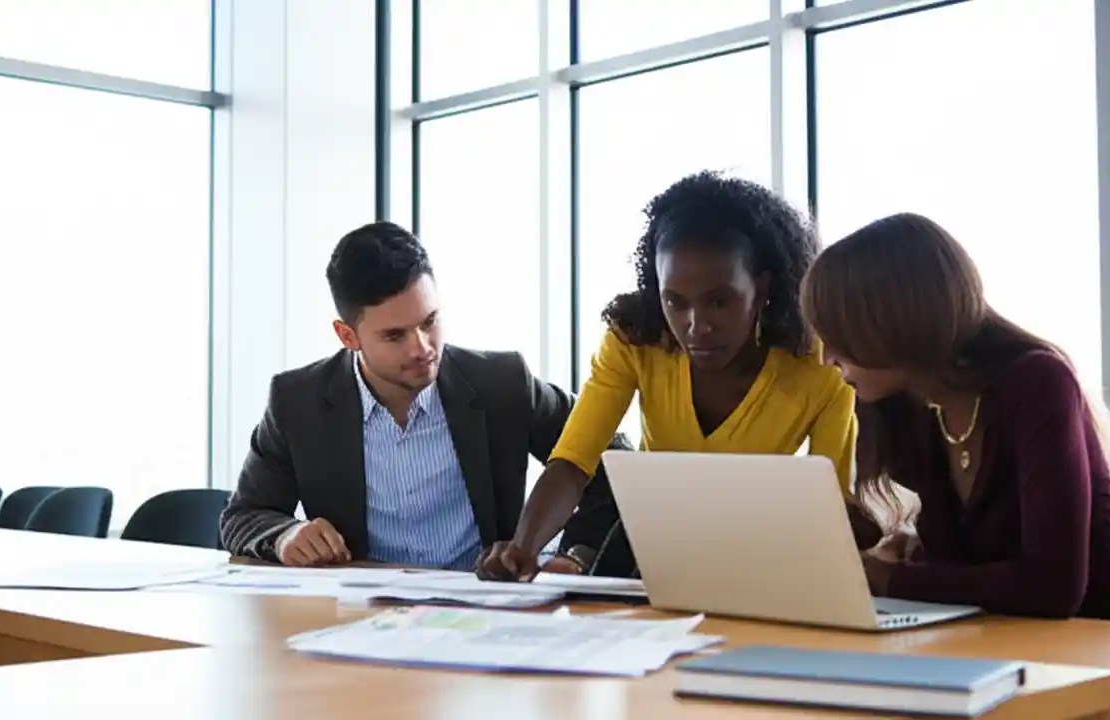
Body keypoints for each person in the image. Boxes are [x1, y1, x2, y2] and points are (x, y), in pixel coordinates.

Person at [477, 171, 869, 581]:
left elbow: (829, 506)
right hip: (650, 551)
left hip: (762, 557)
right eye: (675, 302)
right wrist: (522, 547)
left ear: (762, 287)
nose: (696, 326)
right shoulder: (634, 341)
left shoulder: (821, 367)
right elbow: (573, 463)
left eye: (719, 301)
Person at [801, 212, 1110, 621]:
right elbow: (973, 572)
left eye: (840, 336)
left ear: (895, 322)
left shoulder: (1037, 381)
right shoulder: (906, 406)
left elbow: (1052, 589)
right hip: (1002, 644)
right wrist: (916, 557)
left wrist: (891, 579)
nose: (828, 357)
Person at [220, 221, 627, 570]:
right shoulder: (297, 403)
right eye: (394, 335)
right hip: (360, 619)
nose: (422, 348)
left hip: (487, 613)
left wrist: (577, 553)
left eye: (429, 321)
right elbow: (242, 516)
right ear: (348, 336)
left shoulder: (501, 383)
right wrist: (286, 536)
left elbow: (615, 463)